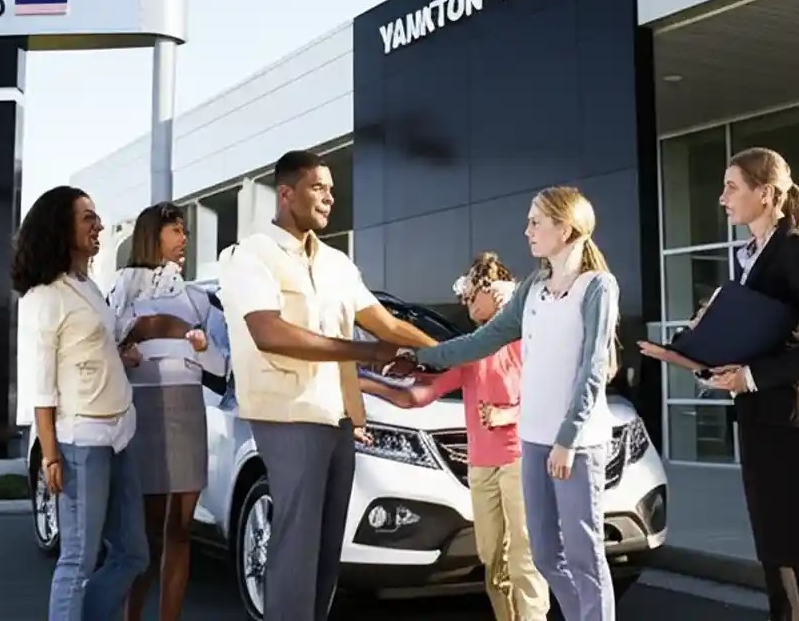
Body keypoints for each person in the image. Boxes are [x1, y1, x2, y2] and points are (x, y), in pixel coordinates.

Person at [216, 150, 437, 621]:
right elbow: (268, 333)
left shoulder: (336, 262)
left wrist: (451, 355)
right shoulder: (250, 256)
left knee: (324, 554)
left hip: (339, 418)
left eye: (332, 189)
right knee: (295, 549)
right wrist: (366, 353)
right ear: (286, 193)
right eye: (320, 187)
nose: (330, 197)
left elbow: (386, 324)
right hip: (288, 416)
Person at [387, 186, 621, 621]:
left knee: (584, 557)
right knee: (548, 557)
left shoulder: (598, 287)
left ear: (563, 228)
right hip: (532, 442)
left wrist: (567, 440)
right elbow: (480, 342)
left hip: (575, 445)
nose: (527, 229)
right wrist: (420, 357)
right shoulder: (533, 287)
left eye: (535, 221)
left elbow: (592, 369)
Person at [639, 147, 799, 620]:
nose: (722, 198)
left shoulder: (797, 250)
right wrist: (694, 359)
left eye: (732, 186)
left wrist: (751, 376)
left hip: (797, 425)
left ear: (767, 193)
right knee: (775, 560)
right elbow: (749, 339)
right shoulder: (747, 259)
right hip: (756, 422)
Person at [362, 252, 550, 621]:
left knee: (523, 559)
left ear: (494, 291)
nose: (465, 301)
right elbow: (418, 395)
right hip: (480, 467)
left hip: (519, 461)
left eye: (471, 292)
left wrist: (507, 413)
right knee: (492, 561)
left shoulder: (526, 339)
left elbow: (549, 399)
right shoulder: (470, 351)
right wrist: (366, 383)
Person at [12, 186, 149, 621]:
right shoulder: (43, 296)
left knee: (133, 553)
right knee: (77, 560)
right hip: (80, 439)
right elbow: (41, 383)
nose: (99, 225)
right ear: (61, 227)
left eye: (97, 216)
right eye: (87, 217)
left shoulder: (88, 285)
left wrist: (119, 353)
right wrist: (50, 454)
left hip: (121, 432)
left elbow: (92, 344)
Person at [109, 202, 227, 621]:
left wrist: (197, 345)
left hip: (187, 408)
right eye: (176, 230)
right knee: (146, 534)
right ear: (152, 235)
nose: (185, 240)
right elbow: (106, 353)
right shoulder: (120, 289)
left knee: (180, 530)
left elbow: (221, 367)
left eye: (185, 232)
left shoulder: (198, 298)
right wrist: (130, 346)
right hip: (143, 411)